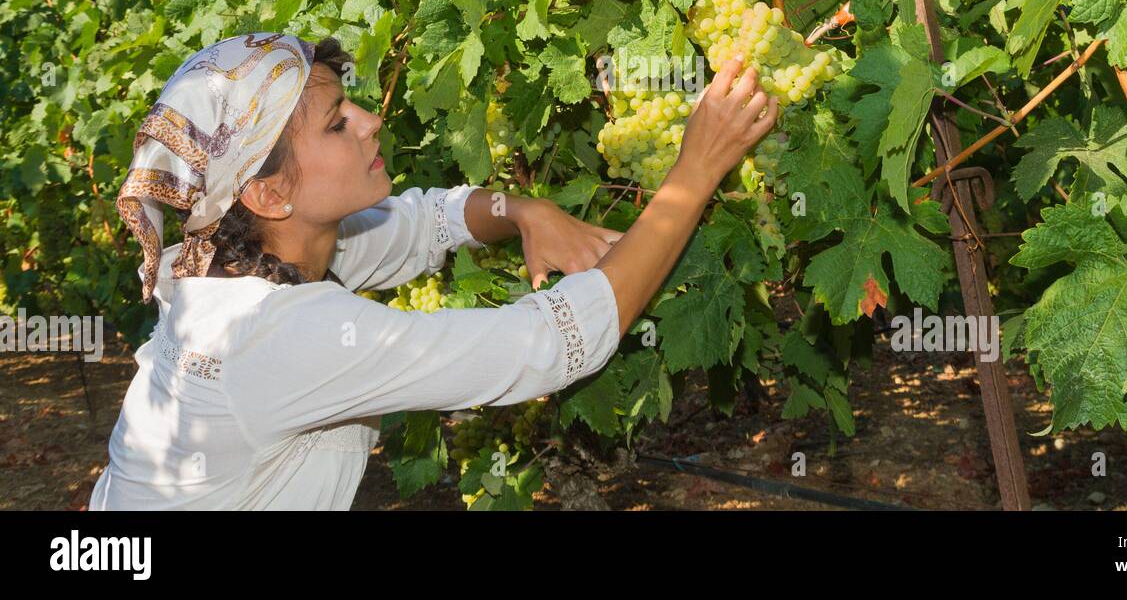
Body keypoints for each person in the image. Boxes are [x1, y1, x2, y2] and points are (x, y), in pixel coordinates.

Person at [89, 31, 777, 509]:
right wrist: (696, 170)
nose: (368, 119)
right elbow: (549, 344)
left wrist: (522, 210)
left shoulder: (249, 257)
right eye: (336, 124)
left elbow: (427, 221)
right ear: (269, 193)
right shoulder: (273, 333)